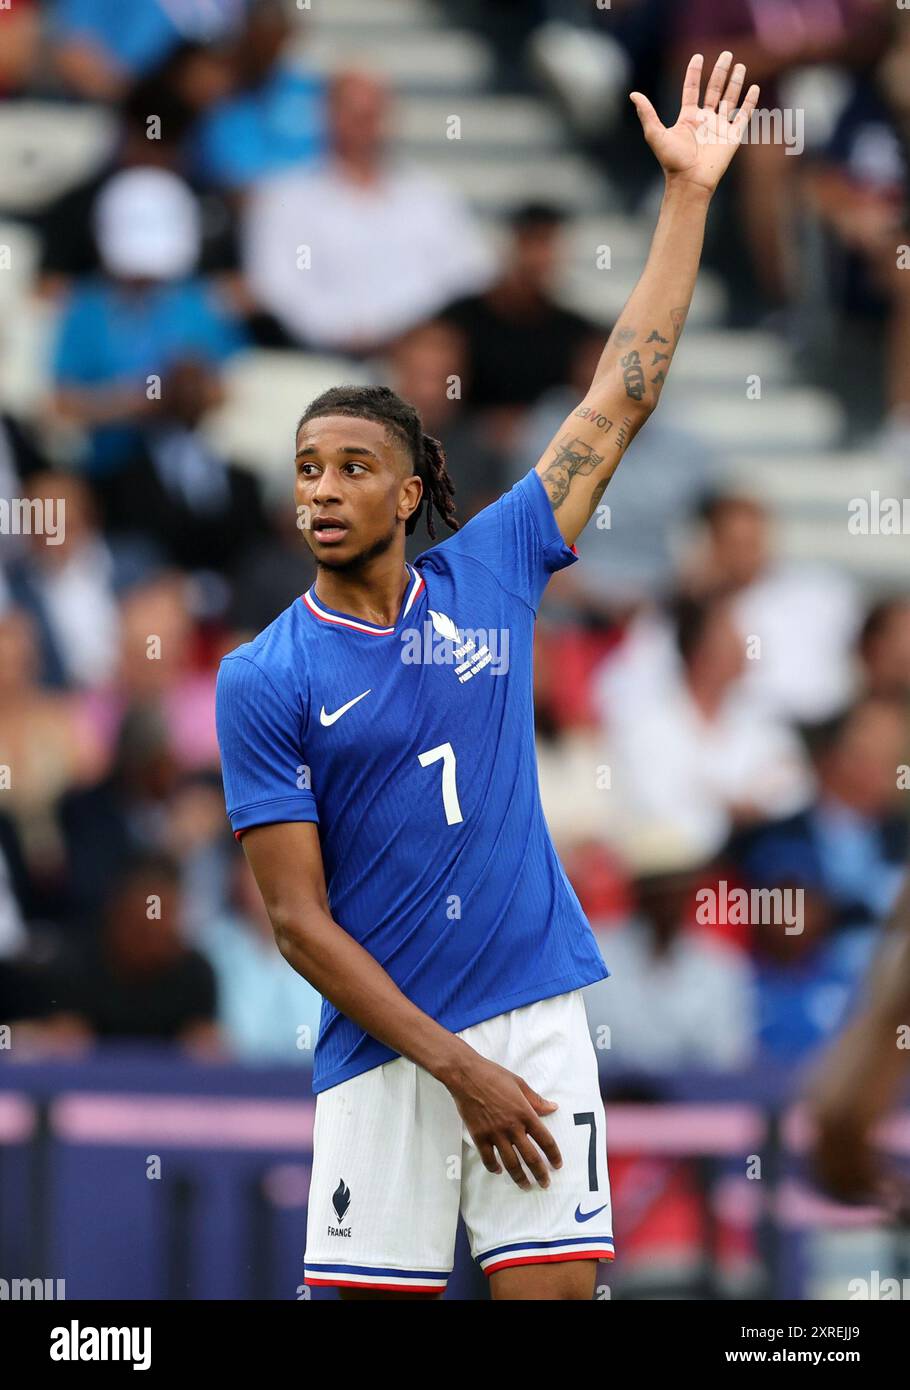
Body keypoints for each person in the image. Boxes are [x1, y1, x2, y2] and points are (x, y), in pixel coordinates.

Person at [215, 52, 760, 1301]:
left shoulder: (495, 570)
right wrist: (456, 1072)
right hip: (391, 1051)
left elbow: (621, 395)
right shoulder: (265, 675)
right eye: (307, 467)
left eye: (353, 465)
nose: (322, 489)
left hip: (533, 1018)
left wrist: (684, 198)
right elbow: (298, 922)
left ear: (410, 490)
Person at [241, 70, 494, 354]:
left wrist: (404, 334)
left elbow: (468, 276)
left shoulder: (434, 198)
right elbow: (277, 286)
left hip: (414, 366)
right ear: (328, 116)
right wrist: (351, 333)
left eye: (372, 115)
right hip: (316, 361)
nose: (365, 127)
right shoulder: (283, 197)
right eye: (354, 115)